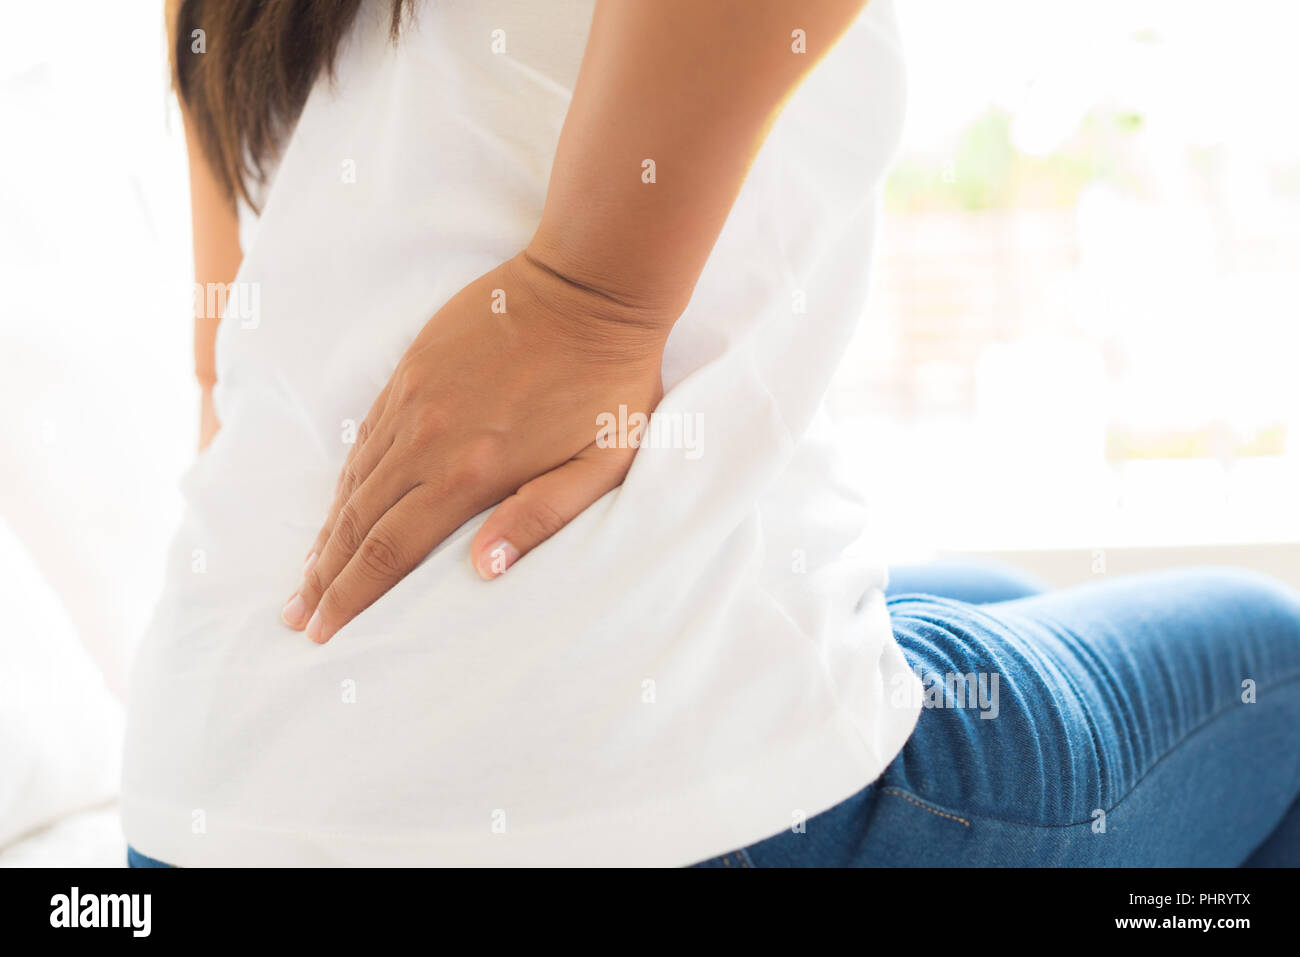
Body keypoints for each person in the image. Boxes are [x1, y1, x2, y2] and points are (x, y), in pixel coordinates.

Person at [123, 0, 1300, 867]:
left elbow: (219, 376)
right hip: (653, 815)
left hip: (193, 808)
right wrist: (587, 295)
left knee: (983, 588)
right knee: (1278, 662)